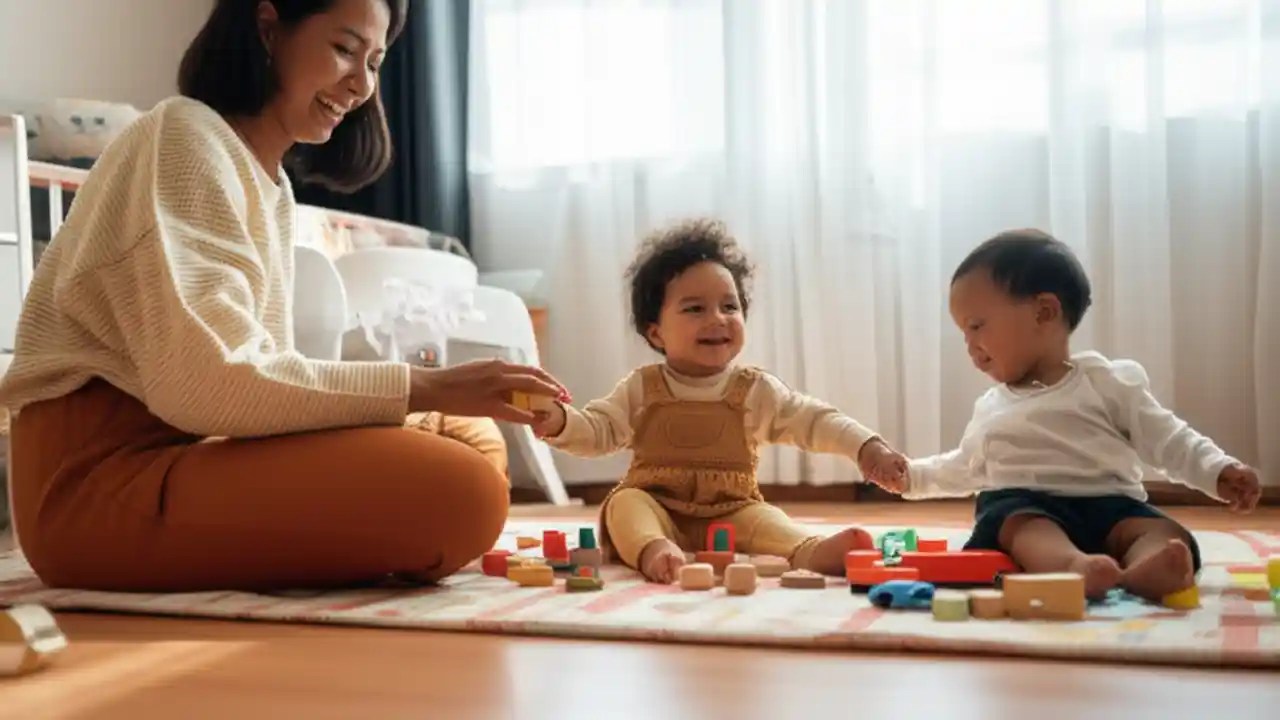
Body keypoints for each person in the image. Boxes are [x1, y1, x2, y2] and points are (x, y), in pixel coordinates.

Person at [0, 0, 567, 592]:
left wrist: (428, 402)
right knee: (464, 491)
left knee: (469, 441)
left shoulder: (271, 186)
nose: (362, 84)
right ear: (269, 30)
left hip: (188, 455)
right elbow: (210, 382)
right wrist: (426, 384)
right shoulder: (184, 137)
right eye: (346, 50)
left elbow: (255, 387)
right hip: (96, 489)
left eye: (375, 61)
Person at [876, 229, 1261, 600]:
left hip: (1111, 509)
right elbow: (964, 466)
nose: (970, 345)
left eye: (977, 326)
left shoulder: (1107, 382)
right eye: (964, 333)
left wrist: (1217, 471)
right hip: (1028, 508)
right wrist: (913, 477)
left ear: (1044, 312)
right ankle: (1075, 566)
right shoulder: (993, 407)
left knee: (1161, 530)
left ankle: (1146, 569)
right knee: (1019, 526)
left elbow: (1168, 438)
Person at [533, 219, 908, 583]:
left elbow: (813, 420)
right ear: (656, 332)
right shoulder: (642, 388)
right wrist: (560, 420)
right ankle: (654, 551)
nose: (718, 319)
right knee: (623, 504)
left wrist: (865, 447)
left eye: (730, 307)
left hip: (734, 512)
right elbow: (598, 429)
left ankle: (811, 551)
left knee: (768, 521)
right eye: (695, 308)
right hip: (657, 508)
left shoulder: (754, 390)